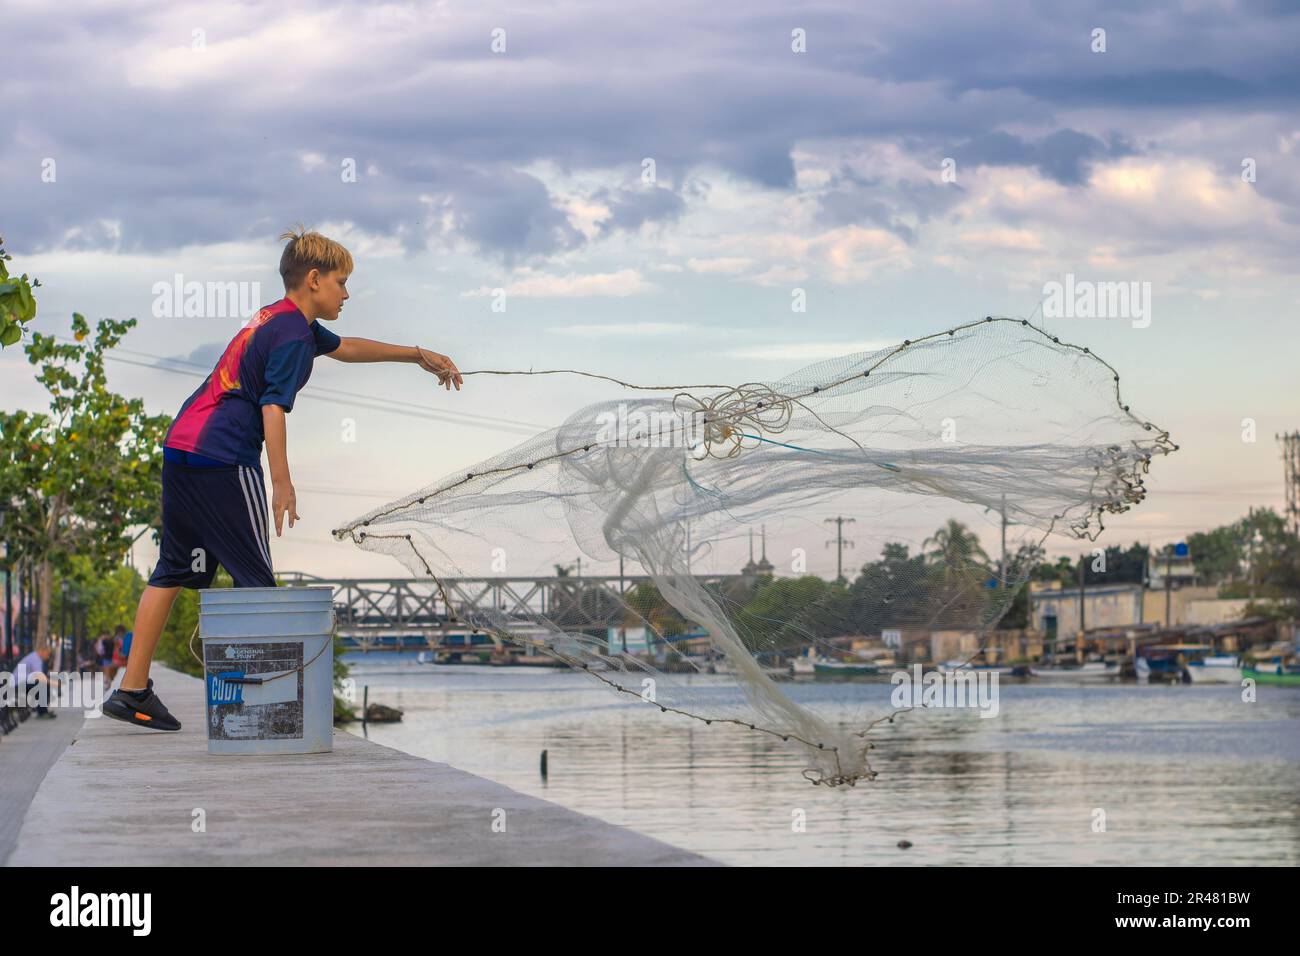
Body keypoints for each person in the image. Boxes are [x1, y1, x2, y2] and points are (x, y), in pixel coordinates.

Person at [102, 227, 463, 732]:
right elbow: (273, 405)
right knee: (257, 585)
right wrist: (282, 481)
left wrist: (418, 355)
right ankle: (252, 713)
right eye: (341, 282)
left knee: (172, 571)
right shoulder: (294, 334)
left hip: (182, 447)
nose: (347, 293)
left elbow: (347, 349)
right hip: (224, 457)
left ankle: (131, 689)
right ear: (314, 279)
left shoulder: (282, 319)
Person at [13, 644, 56, 719]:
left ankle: (42, 710)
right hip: (18, 684)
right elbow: (40, 677)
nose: (48, 656)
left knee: (43, 684)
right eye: (47, 654)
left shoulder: (34, 656)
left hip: (20, 683)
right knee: (42, 685)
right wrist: (55, 683)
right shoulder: (36, 659)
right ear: (42, 651)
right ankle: (42, 713)